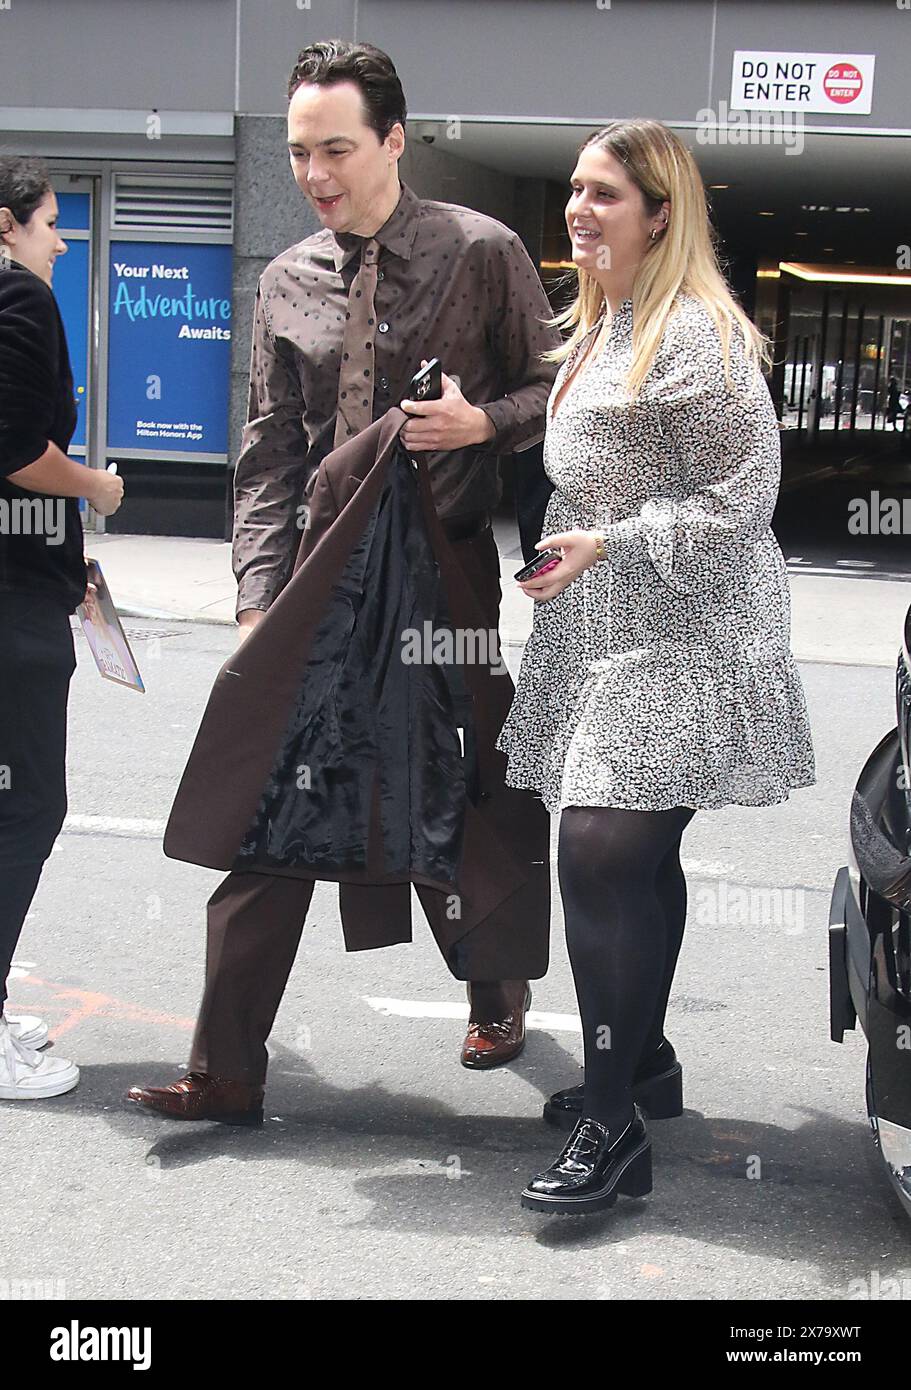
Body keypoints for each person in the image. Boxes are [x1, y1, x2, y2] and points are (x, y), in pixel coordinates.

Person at [127, 40, 561, 1126]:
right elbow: (269, 452)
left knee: (452, 795)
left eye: (335, 148)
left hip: (445, 578)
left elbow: (561, 390)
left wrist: (482, 421)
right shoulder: (284, 279)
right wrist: (253, 599)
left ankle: (496, 989)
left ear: (393, 141)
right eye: (297, 153)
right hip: (319, 587)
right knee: (266, 809)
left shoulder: (480, 251)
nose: (314, 173)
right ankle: (225, 1069)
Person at [496, 119, 816, 1215]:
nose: (579, 211)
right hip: (603, 624)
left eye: (604, 196)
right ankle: (637, 1066)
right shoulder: (602, 322)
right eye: (575, 192)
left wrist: (608, 543)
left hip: (689, 626)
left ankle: (610, 1122)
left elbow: (744, 499)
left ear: (660, 212)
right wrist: (564, 544)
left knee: (595, 843)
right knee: (629, 852)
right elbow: (600, 471)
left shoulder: (694, 333)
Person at [0, 156, 123, 1100]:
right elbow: (13, 451)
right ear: (7, 225)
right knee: (27, 806)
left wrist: (62, 547)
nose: (62, 237)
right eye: (48, 221)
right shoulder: (20, 300)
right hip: (10, 611)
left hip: (22, 578)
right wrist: (95, 489)